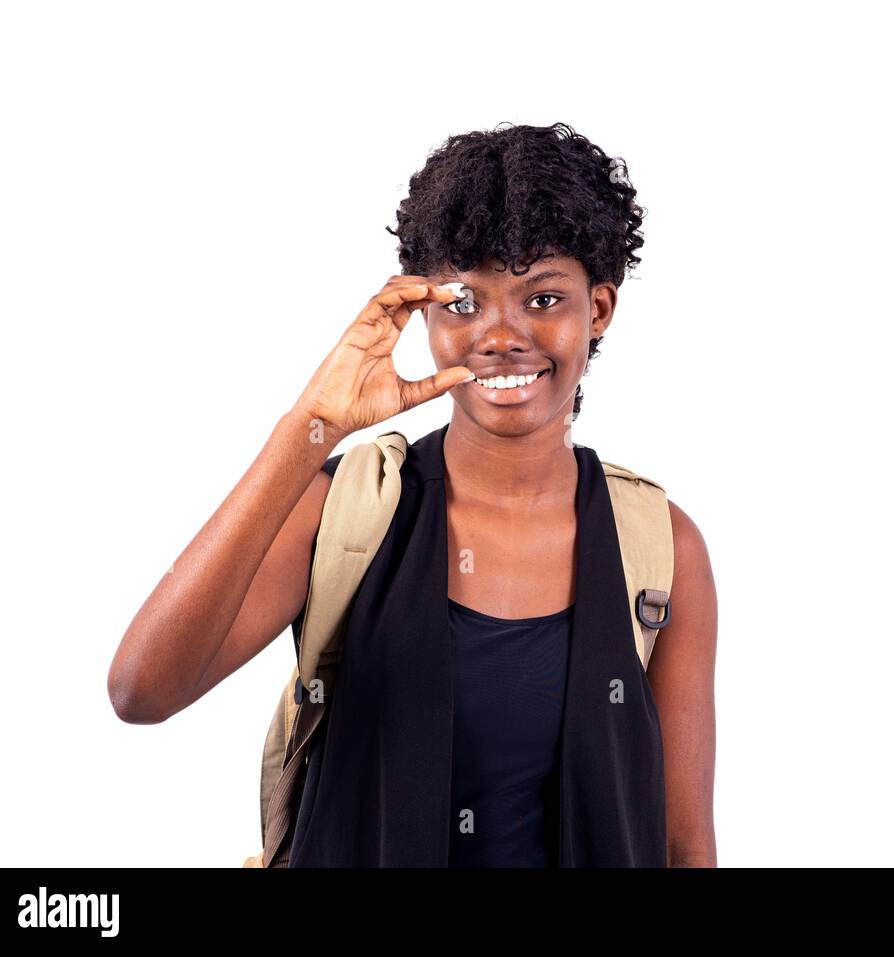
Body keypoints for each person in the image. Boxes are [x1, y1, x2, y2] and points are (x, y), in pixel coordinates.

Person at [108, 122, 718, 867]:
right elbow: (142, 689)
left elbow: (684, 844)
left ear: (597, 311)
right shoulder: (345, 511)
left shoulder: (660, 546)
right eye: (464, 301)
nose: (501, 334)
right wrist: (311, 426)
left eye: (543, 298)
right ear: (421, 312)